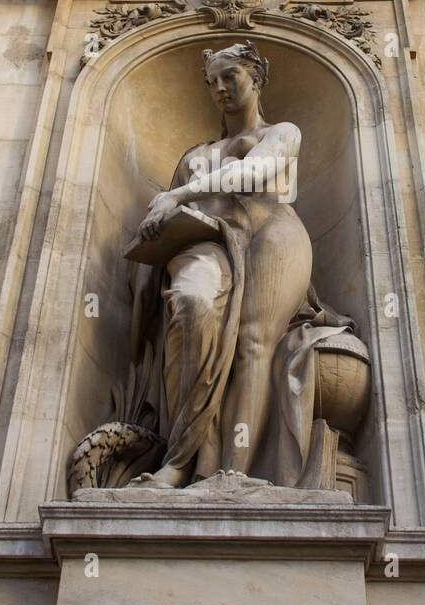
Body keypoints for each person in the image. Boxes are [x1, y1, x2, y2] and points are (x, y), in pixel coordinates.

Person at [125, 41, 351, 488]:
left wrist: (177, 194)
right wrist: (155, 226)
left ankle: (233, 474)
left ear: (257, 78)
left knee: (253, 343)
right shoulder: (194, 155)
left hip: (273, 233)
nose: (221, 89)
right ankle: (184, 460)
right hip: (210, 241)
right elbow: (167, 216)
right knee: (191, 304)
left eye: (231, 77)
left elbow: (251, 174)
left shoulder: (281, 132)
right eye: (212, 82)